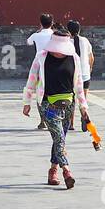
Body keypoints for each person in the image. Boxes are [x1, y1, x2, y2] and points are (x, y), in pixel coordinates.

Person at [22, 30, 90, 190]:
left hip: (68, 105)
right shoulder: (41, 57)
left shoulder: (74, 58)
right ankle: (67, 171)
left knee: (59, 139)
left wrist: (83, 106)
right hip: (48, 105)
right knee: (59, 138)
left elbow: (79, 84)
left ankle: (53, 170)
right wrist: (27, 101)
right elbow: (32, 79)